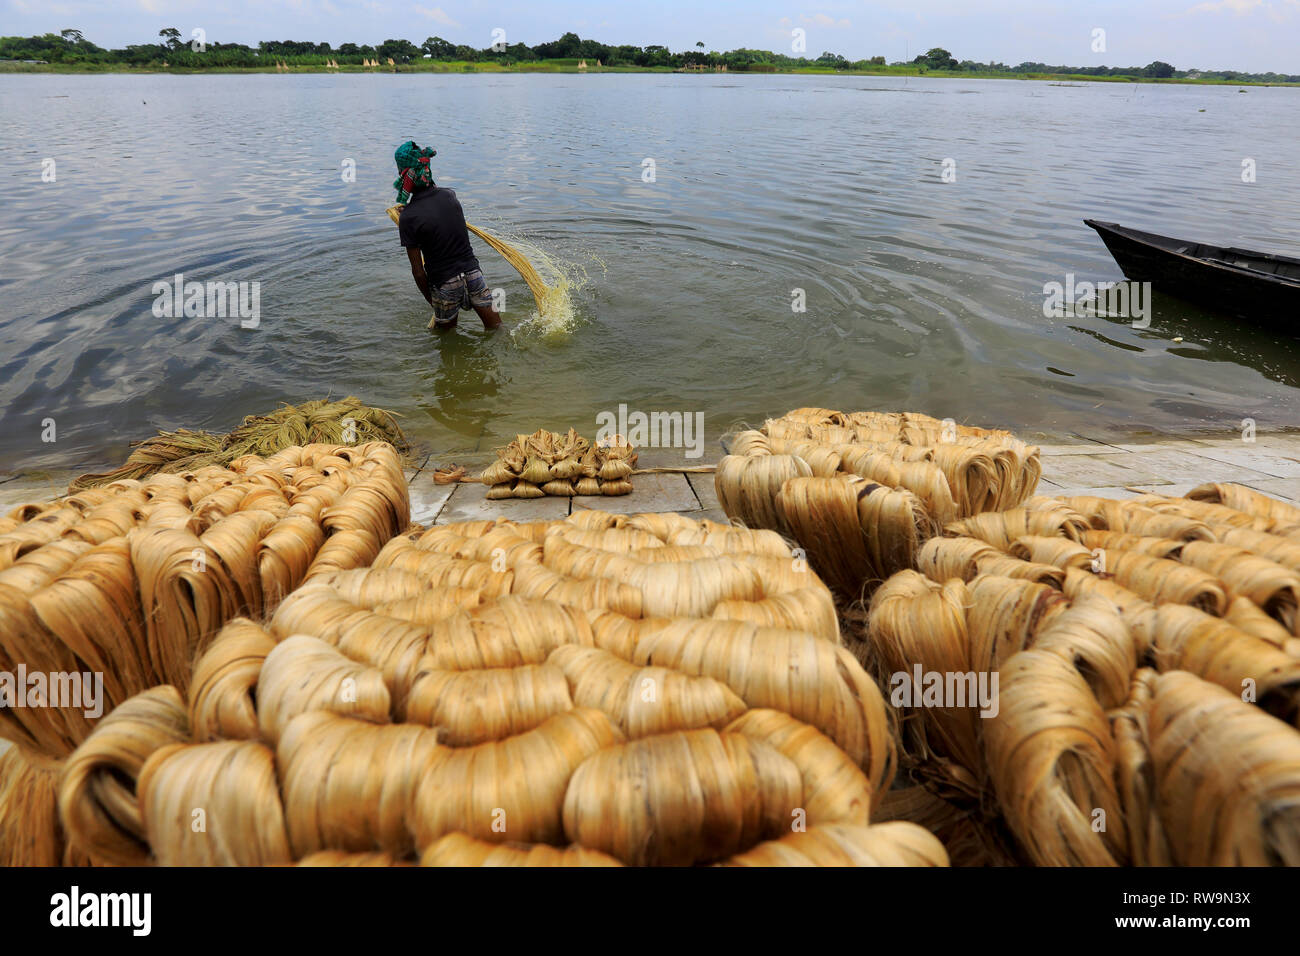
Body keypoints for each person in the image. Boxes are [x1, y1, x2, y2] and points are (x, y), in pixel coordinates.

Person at [394, 141, 502, 331]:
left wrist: (433, 302)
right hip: (474, 275)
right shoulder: (450, 196)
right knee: (497, 329)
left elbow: (418, 272)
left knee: (447, 340)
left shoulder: (408, 217)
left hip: (446, 283)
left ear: (403, 175)